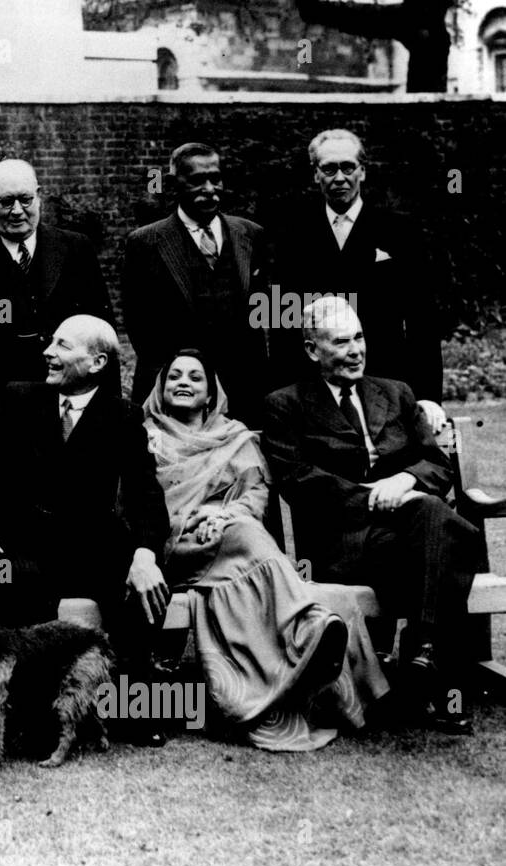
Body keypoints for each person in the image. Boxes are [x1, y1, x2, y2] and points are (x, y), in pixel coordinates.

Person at [143, 349, 390, 750]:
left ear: (210, 394)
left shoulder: (234, 436)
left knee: (242, 529)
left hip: (227, 539)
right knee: (245, 535)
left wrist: (223, 514)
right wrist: (193, 517)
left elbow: (255, 494)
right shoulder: (144, 435)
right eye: (174, 376)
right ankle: (306, 625)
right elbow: (135, 502)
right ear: (161, 387)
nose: (183, 382)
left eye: (195, 377)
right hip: (175, 545)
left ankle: (303, 636)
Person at [263, 297, 483, 735]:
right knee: (450, 535)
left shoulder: (396, 391)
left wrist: (403, 483)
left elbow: (436, 463)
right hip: (344, 541)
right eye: (341, 341)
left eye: (359, 337)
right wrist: (369, 498)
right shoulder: (285, 404)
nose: (355, 350)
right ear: (312, 350)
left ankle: (422, 646)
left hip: (409, 535)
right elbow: (297, 479)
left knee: (432, 518)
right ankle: (436, 670)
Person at [0, 315, 171, 746]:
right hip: (20, 544)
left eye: (62, 346)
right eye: (51, 343)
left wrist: (145, 553)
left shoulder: (122, 415)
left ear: (97, 362)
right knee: (16, 583)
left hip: (92, 546)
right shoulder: (17, 398)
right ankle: (28, 718)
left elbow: (146, 493)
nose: (48, 352)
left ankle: (133, 709)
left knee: (143, 587)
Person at [269, 128, 447, 425]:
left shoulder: (400, 231)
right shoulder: (293, 235)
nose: (339, 177)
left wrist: (427, 395)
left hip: (386, 383)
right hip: (317, 388)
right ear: (316, 174)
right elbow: (281, 321)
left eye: (348, 167)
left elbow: (422, 320)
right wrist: (282, 394)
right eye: (328, 168)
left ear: (362, 172)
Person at [0, 158, 114, 439]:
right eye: (6, 201)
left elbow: (102, 335)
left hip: (70, 402)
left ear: (39, 196)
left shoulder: (76, 249)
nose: (16, 211)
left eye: (25, 200)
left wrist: (110, 405)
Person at [123, 141, 271, 425]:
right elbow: (139, 325)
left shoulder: (250, 234)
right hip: (179, 392)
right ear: (173, 184)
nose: (209, 189)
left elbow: (260, 312)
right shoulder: (145, 243)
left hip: (243, 388)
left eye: (215, 179)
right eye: (196, 180)